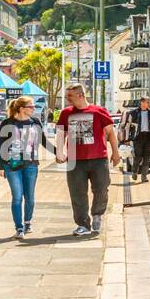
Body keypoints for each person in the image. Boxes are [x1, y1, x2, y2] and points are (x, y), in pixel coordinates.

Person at [55, 84, 120, 237]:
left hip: (99, 159)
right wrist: (59, 152)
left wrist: (115, 153)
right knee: (77, 194)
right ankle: (83, 224)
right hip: (74, 161)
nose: (66, 98)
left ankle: (97, 215)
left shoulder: (99, 111)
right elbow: (60, 133)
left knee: (101, 189)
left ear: (81, 95)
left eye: (69, 96)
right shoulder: (66, 113)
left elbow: (110, 133)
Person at [0, 95, 45, 239]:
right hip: (11, 165)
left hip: (30, 164)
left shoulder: (35, 122)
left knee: (29, 197)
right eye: (31, 106)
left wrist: (59, 153)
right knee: (17, 196)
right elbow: (1, 145)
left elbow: (43, 140)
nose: (34, 109)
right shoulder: (7, 123)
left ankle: (27, 222)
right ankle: (19, 228)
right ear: (22, 109)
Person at [126, 95, 150, 183]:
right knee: (138, 156)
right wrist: (127, 139)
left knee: (147, 157)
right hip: (138, 137)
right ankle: (134, 171)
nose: (148, 104)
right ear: (141, 102)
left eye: (148, 102)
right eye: (146, 102)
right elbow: (127, 127)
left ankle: (144, 176)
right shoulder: (133, 113)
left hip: (148, 137)